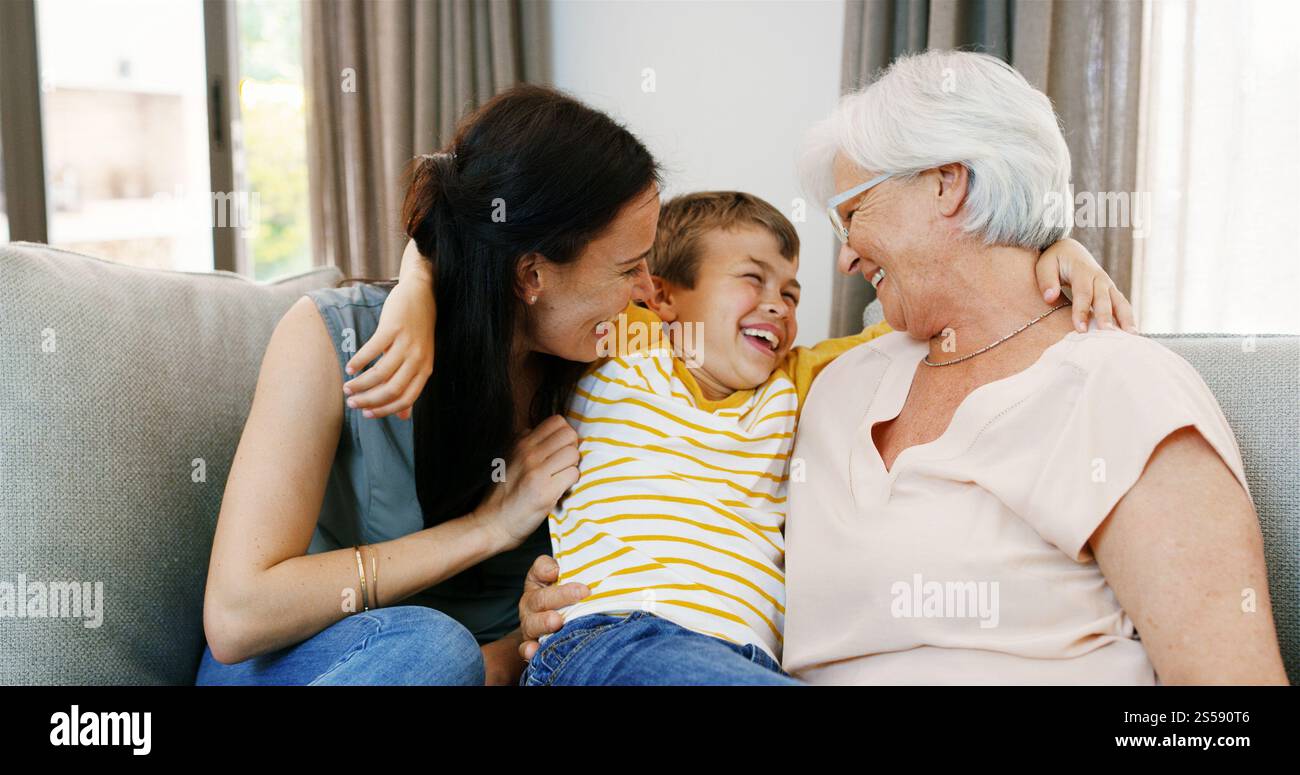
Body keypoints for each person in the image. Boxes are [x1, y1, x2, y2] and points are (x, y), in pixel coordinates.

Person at [196, 84, 661, 685]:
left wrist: (528, 641)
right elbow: (238, 616)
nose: (650, 290)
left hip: (479, 669)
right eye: (629, 268)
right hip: (309, 662)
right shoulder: (333, 338)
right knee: (435, 647)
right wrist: (486, 528)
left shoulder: (606, 358)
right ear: (532, 274)